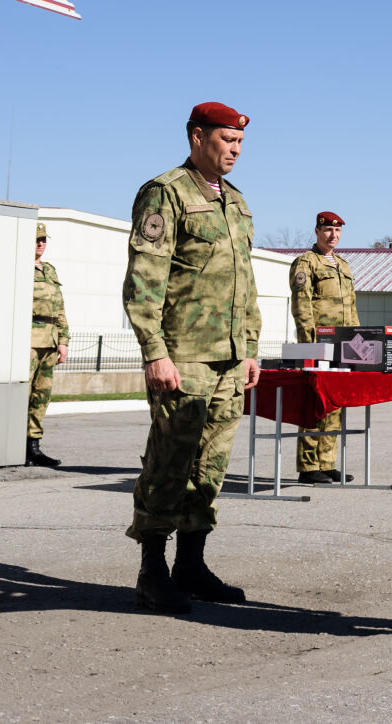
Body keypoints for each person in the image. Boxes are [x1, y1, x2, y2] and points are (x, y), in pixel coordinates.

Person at [121, 101, 261, 614]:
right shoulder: (166, 193)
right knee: (169, 463)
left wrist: (248, 348)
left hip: (228, 359)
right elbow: (145, 279)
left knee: (211, 467)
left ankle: (191, 565)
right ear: (197, 136)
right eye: (228, 140)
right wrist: (155, 352)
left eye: (241, 143)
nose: (236, 150)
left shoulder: (238, 203)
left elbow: (244, 283)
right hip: (183, 356)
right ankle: (152, 572)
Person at [289, 211, 359, 483]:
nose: (333, 236)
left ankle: (327, 462)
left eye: (338, 231)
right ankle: (308, 468)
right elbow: (302, 305)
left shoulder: (343, 265)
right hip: (317, 344)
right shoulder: (307, 263)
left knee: (335, 403)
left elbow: (351, 307)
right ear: (317, 231)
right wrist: (308, 344)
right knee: (313, 404)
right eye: (328, 230)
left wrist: (357, 341)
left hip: (342, 344)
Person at [27, 221, 69, 468]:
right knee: (24, 395)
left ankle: (34, 448)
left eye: (44, 240)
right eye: (36, 239)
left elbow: (60, 308)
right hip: (29, 341)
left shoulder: (50, 270)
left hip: (50, 341)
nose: (41, 243)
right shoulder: (20, 268)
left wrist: (63, 341)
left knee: (41, 396)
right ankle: (16, 447)